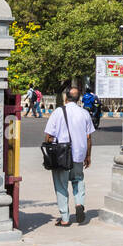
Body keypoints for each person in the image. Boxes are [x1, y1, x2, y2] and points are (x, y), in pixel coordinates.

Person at [44, 88, 95, 226]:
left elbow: (48, 136)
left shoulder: (58, 112)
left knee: (61, 186)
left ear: (66, 97)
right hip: (79, 154)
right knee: (78, 180)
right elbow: (89, 137)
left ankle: (65, 218)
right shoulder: (84, 113)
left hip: (62, 156)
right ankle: (79, 203)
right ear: (79, 99)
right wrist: (88, 155)